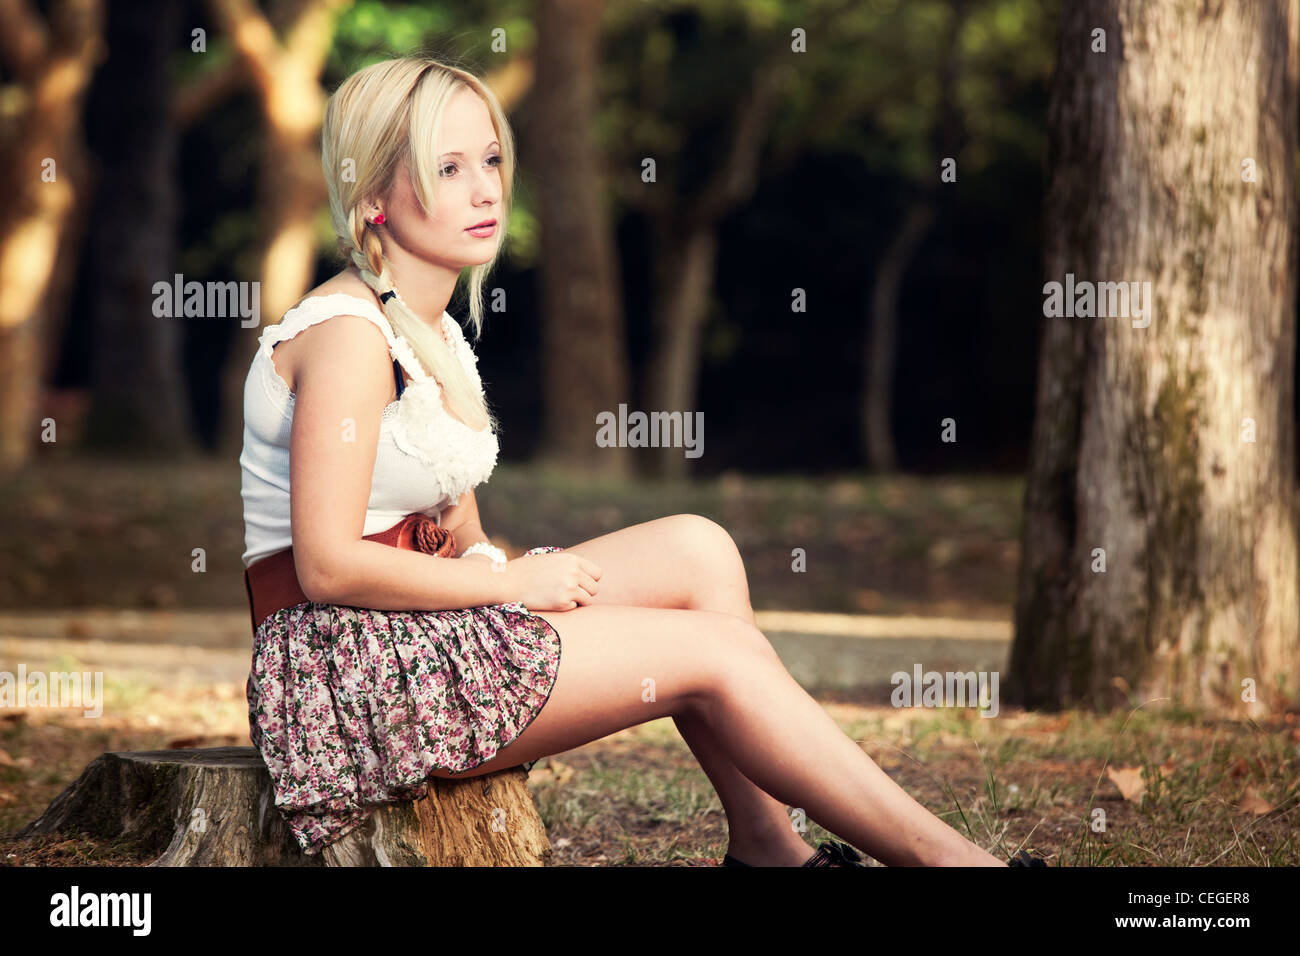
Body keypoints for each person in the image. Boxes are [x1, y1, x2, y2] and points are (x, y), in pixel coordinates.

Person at [240, 54, 1022, 867]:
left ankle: (768, 846)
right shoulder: (347, 338)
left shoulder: (426, 332)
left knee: (698, 547)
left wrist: (492, 567)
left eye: (492, 160)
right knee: (720, 655)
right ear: (370, 196)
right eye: (448, 167)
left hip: (416, 628)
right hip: (346, 676)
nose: (485, 190)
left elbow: (454, 523)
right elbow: (328, 566)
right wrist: (508, 586)